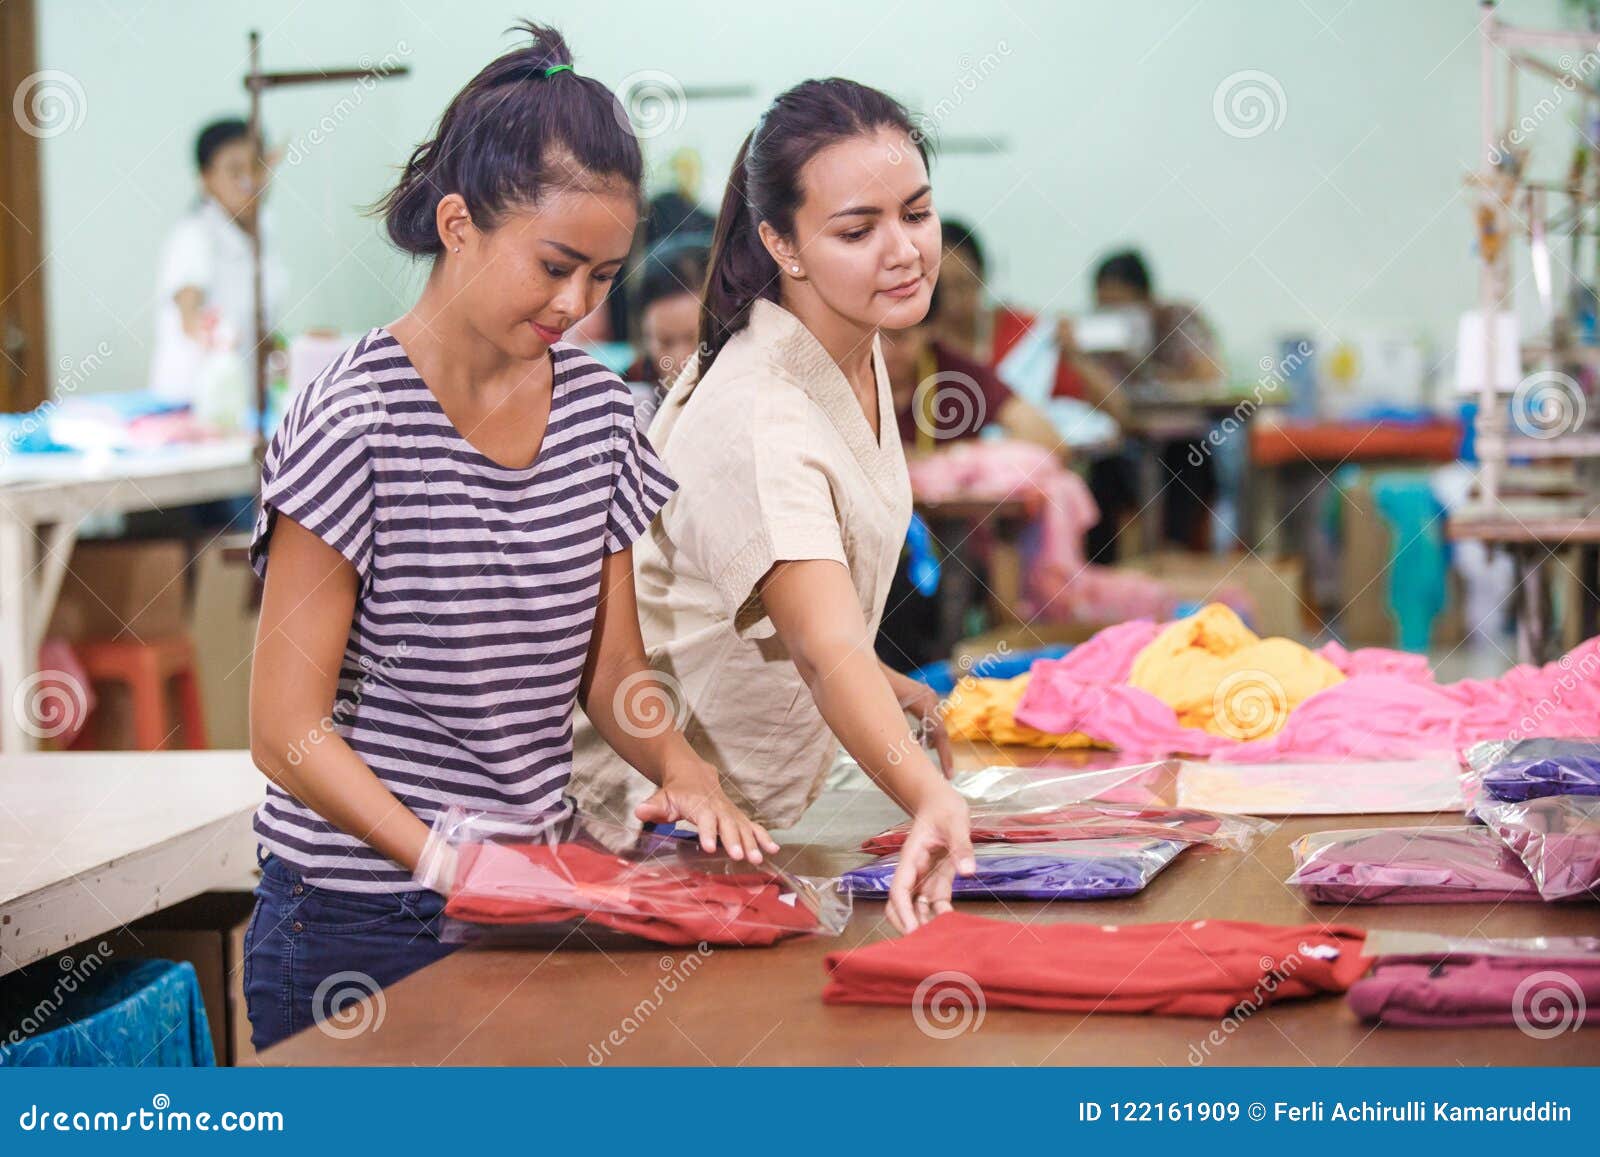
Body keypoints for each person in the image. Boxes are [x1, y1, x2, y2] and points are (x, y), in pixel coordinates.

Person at [243, 25, 774, 1051]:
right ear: (458, 224)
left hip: (531, 897)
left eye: (603, 274)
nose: (576, 305)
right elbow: (285, 727)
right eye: (555, 265)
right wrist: (448, 861)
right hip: (358, 916)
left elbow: (610, 668)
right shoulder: (355, 420)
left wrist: (684, 767)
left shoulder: (598, 414)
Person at [570, 77, 976, 933]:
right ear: (780, 244)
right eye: (859, 230)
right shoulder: (761, 408)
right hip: (663, 828)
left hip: (755, 823)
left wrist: (880, 680)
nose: (904, 250)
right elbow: (822, 645)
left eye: (917, 212)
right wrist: (927, 794)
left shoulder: (850, 347)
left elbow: (807, 612)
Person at [149, 118, 285, 407]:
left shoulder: (264, 233)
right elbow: (190, 314)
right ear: (206, 178)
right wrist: (213, 335)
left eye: (257, 166)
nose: (250, 180)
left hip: (243, 404)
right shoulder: (195, 236)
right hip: (190, 402)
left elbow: (262, 328)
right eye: (235, 171)